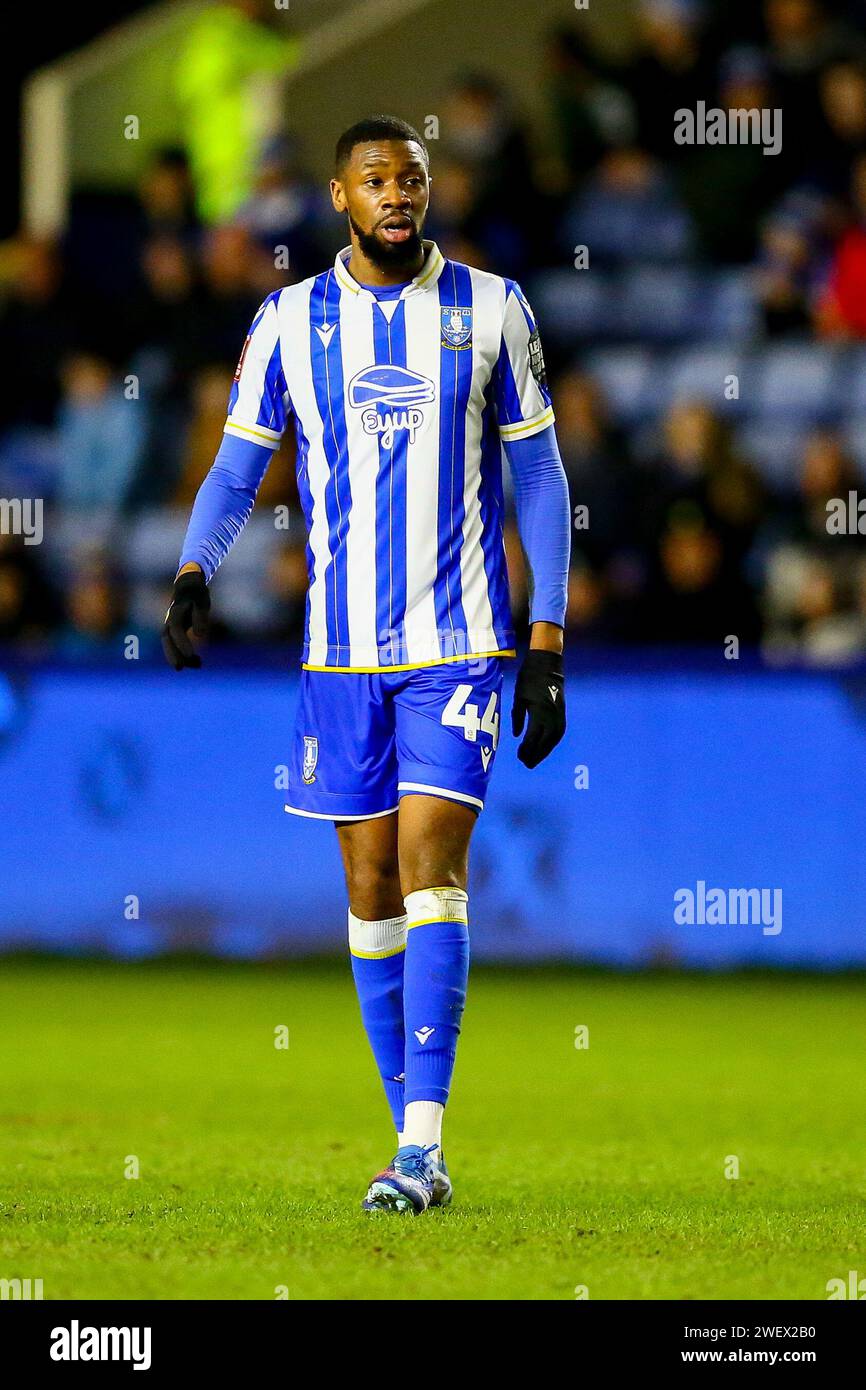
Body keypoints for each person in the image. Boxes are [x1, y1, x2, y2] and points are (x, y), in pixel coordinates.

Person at [162, 116, 570, 1214]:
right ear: (339, 198)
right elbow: (239, 463)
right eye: (376, 179)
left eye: (413, 178)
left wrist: (544, 637)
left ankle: (422, 1146)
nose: (398, 194)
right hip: (338, 658)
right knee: (369, 887)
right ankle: (410, 1136)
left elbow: (539, 479)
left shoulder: (491, 308)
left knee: (434, 863)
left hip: (463, 647)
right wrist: (194, 571)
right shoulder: (290, 322)